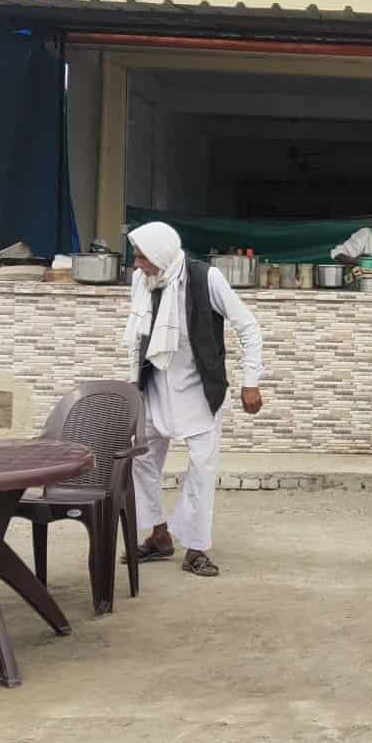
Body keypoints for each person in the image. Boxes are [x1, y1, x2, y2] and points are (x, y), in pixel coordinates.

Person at [125, 221, 264, 578]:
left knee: (201, 468)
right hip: (156, 387)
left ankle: (196, 548)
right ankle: (159, 535)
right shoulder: (143, 281)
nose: (137, 264)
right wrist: (133, 386)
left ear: (160, 255)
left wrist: (251, 382)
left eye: (142, 257)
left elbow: (248, 326)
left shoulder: (206, 279)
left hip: (200, 390)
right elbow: (137, 338)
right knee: (141, 461)